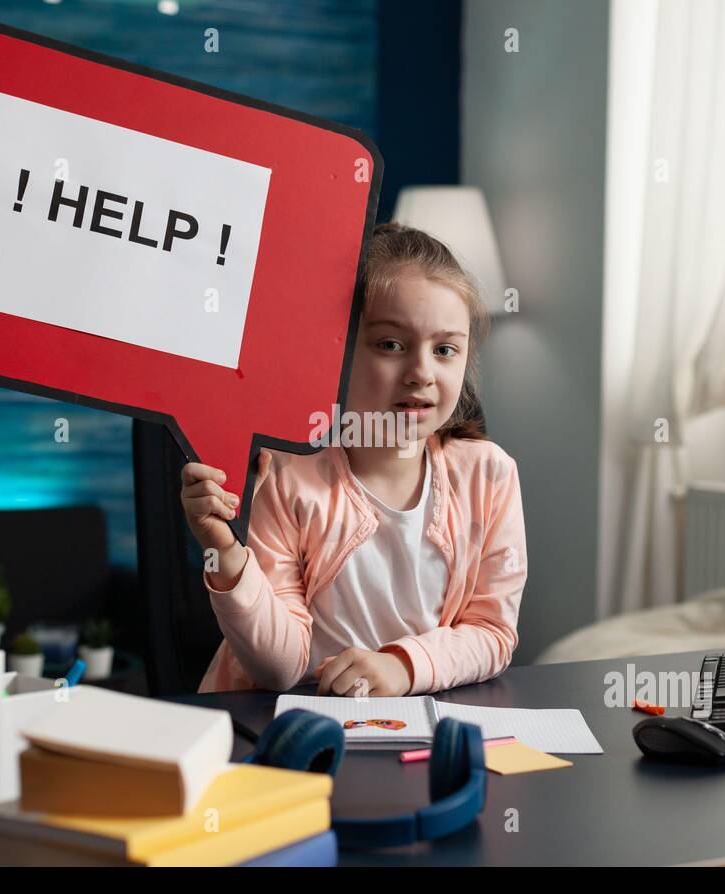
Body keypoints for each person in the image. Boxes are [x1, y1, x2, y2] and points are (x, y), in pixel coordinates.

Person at [181, 222, 527, 696]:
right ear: (336, 353)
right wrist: (225, 550)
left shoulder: (490, 475)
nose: (421, 372)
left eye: (445, 349)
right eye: (391, 345)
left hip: (411, 720)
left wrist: (402, 668)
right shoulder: (284, 476)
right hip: (285, 724)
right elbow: (280, 669)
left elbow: (492, 632)